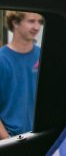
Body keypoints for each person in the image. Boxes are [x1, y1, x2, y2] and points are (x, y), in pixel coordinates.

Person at [0, 11, 43, 139]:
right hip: (10, 139)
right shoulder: (2, 60)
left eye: (39, 22)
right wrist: (6, 139)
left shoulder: (42, 55)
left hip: (35, 137)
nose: (37, 27)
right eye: (31, 21)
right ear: (15, 22)